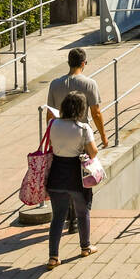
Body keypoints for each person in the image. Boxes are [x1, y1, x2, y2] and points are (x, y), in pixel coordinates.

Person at [47, 49, 108, 237]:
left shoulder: (55, 84)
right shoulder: (89, 84)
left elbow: (50, 114)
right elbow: (96, 113)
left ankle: (68, 217)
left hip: (59, 133)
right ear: (84, 63)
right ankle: (75, 220)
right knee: (80, 177)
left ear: (68, 62)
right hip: (81, 135)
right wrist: (104, 137)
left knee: (63, 174)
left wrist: (51, 136)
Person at [45, 91, 98, 269]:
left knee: (58, 217)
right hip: (77, 177)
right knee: (82, 213)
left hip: (57, 175)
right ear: (81, 109)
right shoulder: (83, 128)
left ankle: (53, 257)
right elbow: (93, 152)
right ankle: (85, 246)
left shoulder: (52, 124)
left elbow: (51, 146)